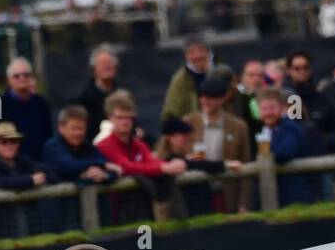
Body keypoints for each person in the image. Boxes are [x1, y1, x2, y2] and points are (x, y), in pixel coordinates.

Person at [95, 91, 186, 222]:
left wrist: (167, 165)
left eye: (128, 117)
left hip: (143, 208)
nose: (125, 122)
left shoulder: (138, 144)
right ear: (110, 118)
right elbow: (127, 166)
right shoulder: (104, 144)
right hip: (116, 211)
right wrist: (163, 168)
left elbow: (151, 160)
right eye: (120, 117)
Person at [182, 74, 253, 212]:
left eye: (211, 97)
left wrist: (244, 205)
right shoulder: (187, 123)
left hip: (228, 196)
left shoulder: (239, 127)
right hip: (196, 194)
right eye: (202, 97)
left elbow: (246, 166)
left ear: (223, 98)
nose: (205, 101)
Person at [284, 50, 335, 154]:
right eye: (297, 68)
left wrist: (319, 140)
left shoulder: (324, 100)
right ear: (289, 71)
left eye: (305, 67)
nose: (302, 71)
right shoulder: (283, 100)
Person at [41, 105, 117, 184]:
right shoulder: (52, 147)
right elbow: (70, 166)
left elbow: (114, 169)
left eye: (81, 128)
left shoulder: (85, 145)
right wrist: (103, 164)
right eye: (74, 128)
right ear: (61, 128)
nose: (78, 133)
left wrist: (104, 175)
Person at [0, 58, 53, 161]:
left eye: (26, 75)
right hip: (9, 163)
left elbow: (48, 134)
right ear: (9, 80)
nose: (22, 78)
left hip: (40, 160)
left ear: (31, 77)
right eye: (16, 76)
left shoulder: (41, 102)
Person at [0, 121, 48, 190]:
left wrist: (41, 177)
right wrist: (31, 180)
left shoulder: (24, 160)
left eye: (13, 141)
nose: (9, 145)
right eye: (3, 142)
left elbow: (50, 173)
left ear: (18, 144)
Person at [162, 39, 212, 123]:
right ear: (186, 56)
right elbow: (171, 113)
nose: (198, 56)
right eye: (192, 52)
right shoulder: (180, 80)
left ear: (208, 53)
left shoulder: (218, 74)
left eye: (201, 50)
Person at [76, 47, 120, 134]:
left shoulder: (122, 95)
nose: (107, 66)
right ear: (94, 69)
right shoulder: (85, 99)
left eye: (110, 62)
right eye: (103, 63)